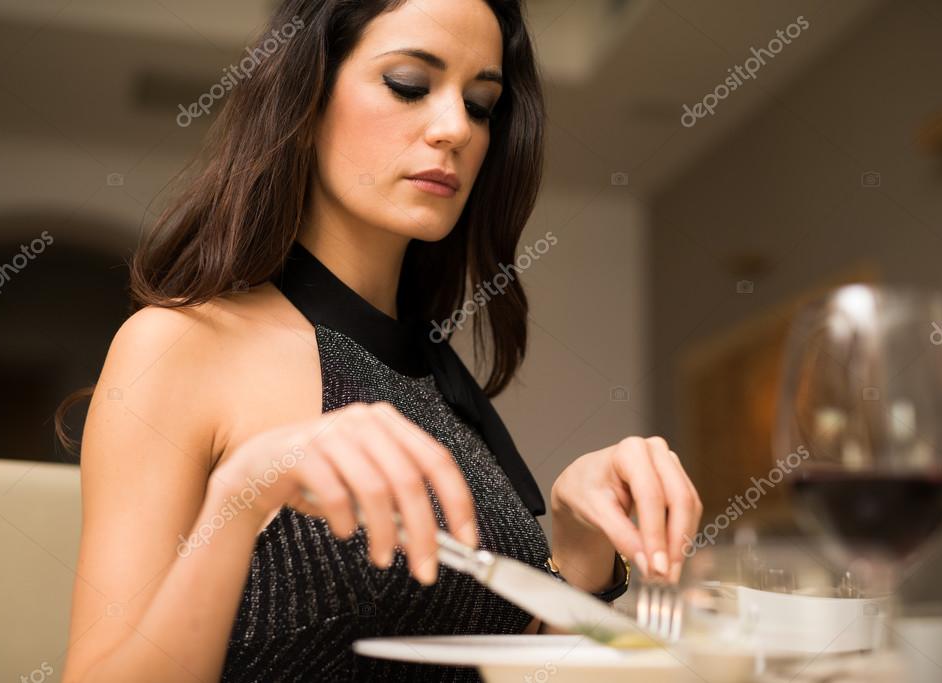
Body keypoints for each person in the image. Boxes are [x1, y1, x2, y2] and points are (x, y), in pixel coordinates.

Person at [57, 0, 703, 680]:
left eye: (481, 104)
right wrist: (243, 494)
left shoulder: (434, 379)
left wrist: (578, 544)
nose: (455, 128)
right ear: (304, 100)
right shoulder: (177, 345)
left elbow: (500, 666)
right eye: (408, 85)